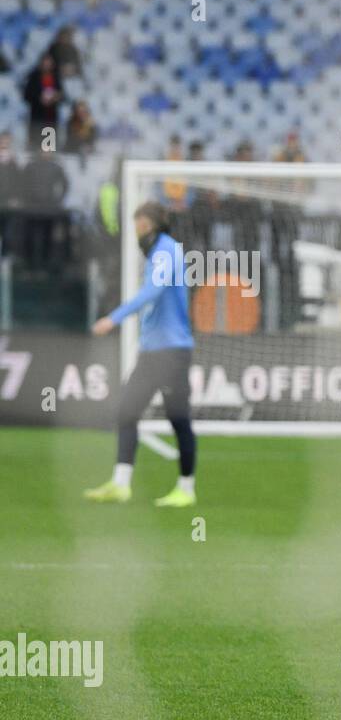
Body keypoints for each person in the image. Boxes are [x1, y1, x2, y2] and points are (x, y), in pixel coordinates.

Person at [84, 202, 198, 508]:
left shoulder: (166, 250)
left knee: (179, 419)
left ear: (152, 225)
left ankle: (186, 489)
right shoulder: (160, 252)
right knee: (126, 412)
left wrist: (114, 317)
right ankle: (121, 484)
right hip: (152, 352)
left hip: (172, 352)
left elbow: (153, 291)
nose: (138, 234)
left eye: (141, 227)